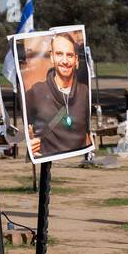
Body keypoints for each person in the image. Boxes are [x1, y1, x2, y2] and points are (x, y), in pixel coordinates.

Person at [24, 31, 92, 159]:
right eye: (59, 54)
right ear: (52, 57)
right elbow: (27, 127)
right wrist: (30, 143)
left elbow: (89, 133)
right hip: (47, 160)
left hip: (77, 164)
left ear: (76, 60)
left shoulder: (85, 92)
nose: (65, 61)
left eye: (70, 55)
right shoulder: (36, 92)